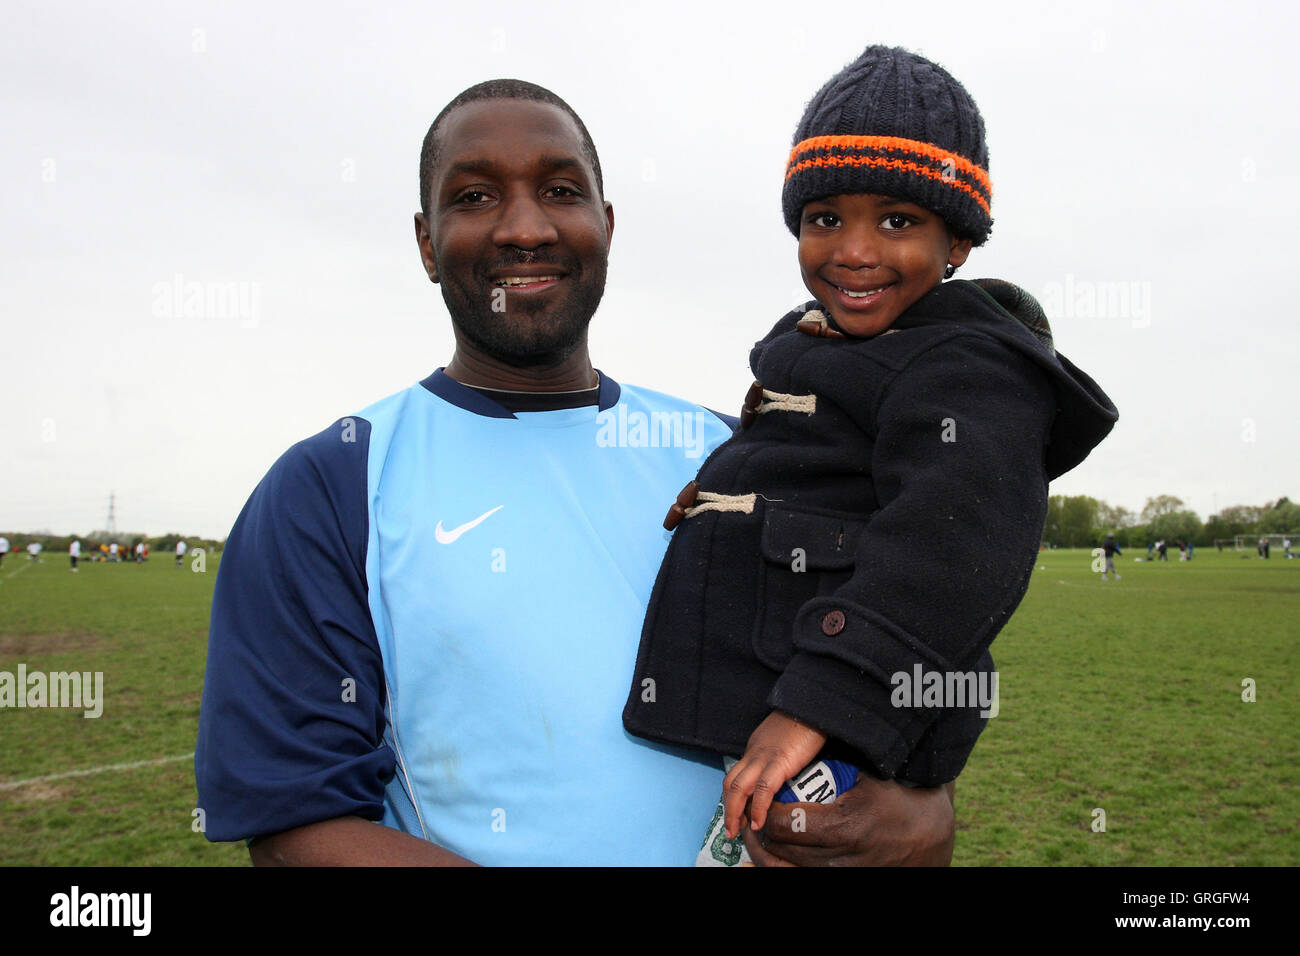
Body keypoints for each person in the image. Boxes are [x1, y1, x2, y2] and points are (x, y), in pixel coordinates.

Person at [195, 78, 959, 867]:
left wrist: (921, 818)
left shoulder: (742, 455)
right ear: (426, 243)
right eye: (476, 196)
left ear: (606, 226)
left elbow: (867, 700)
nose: (525, 229)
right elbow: (297, 829)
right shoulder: (331, 484)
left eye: (561, 191)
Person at [621, 45, 1117, 861]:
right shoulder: (825, 344)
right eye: (825, 219)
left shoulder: (966, 367)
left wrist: (823, 701)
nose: (854, 249)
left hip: (838, 738)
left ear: (957, 240)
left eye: (897, 219)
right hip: (770, 717)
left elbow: (953, 549)